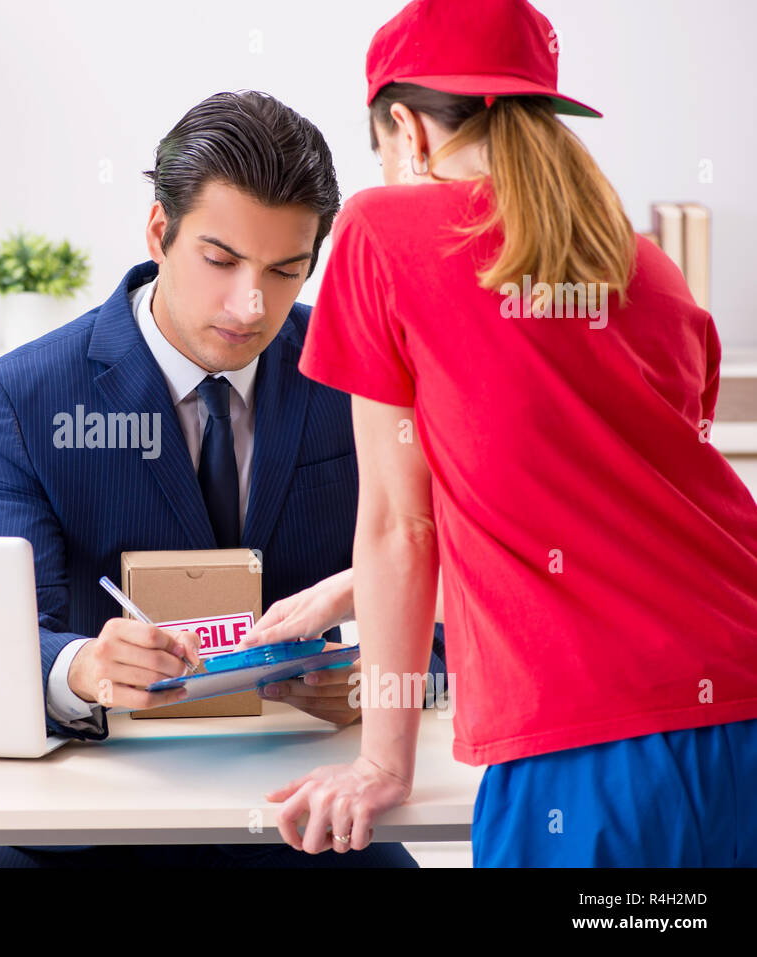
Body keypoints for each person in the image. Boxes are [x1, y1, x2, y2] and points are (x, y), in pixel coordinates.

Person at [251, 0, 757, 867]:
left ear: (405, 130)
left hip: (596, 746)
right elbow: (597, 520)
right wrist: (348, 589)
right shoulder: (649, 267)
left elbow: (398, 524)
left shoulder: (381, 231)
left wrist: (383, 760)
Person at [0, 90, 445, 868]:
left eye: (286, 270)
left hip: (302, 807)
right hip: (83, 811)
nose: (250, 303)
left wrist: (376, 677)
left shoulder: (363, 379)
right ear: (158, 231)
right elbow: (2, 646)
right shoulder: (19, 395)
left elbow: (461, 606)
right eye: (220, 260)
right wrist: (85, 669)